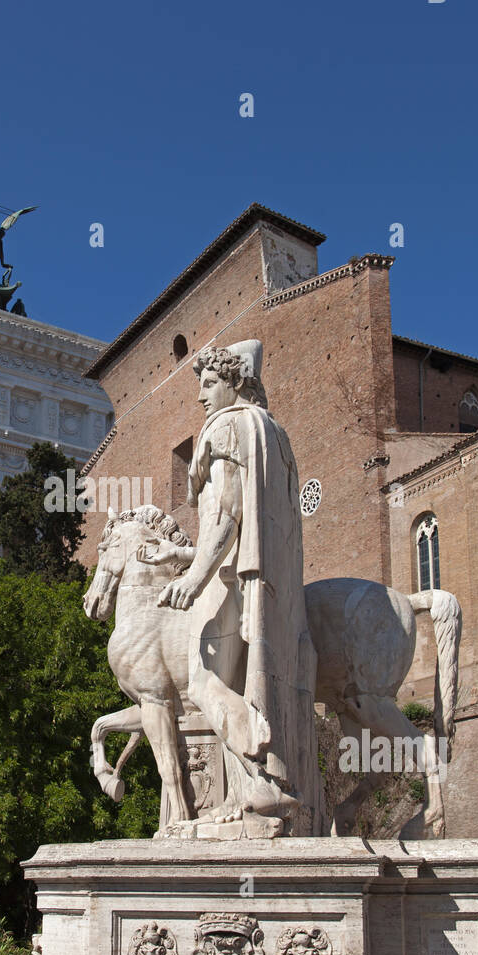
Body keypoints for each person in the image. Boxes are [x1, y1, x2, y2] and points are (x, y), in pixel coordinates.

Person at [142, 341, 322, 834]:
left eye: (208, 384)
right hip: (266, 583)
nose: (200, 396)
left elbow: (225, 513)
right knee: (253, 680)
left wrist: (194, 579)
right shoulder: (274, 434)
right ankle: (266, 788)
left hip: (228, 581)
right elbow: (246, 524)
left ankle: (260, 783)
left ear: (234, 382)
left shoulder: (226, 428)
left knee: (202, 684)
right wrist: (183, 556)